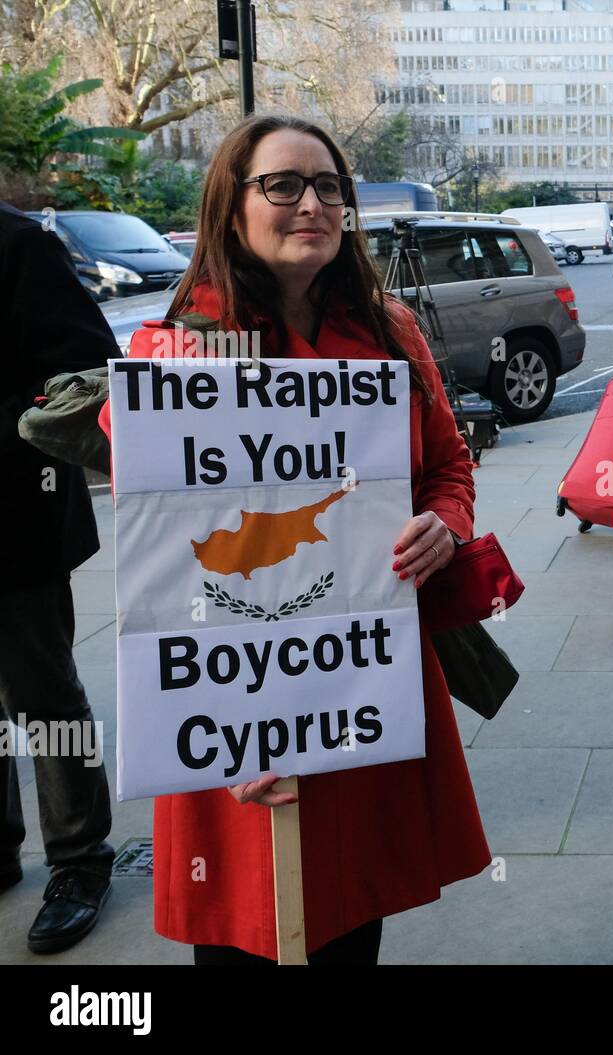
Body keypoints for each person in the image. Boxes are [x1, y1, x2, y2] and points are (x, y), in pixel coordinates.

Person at [98, 114, 491, 965]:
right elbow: (152, 540)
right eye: (282, 184)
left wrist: (445, 527)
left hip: (358, 689)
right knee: (248, 940)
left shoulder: (391, 331)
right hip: (234, 712)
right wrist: (224, 726)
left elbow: (450, 469)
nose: (310, 202)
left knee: (350, 930)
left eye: (327, 187)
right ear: (231, 206)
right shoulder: (175, 349)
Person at [0, 202, 118, 954]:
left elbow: (84, 369)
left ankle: (79, 860)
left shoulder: (20, 243)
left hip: (15, 518)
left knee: (42, 693)